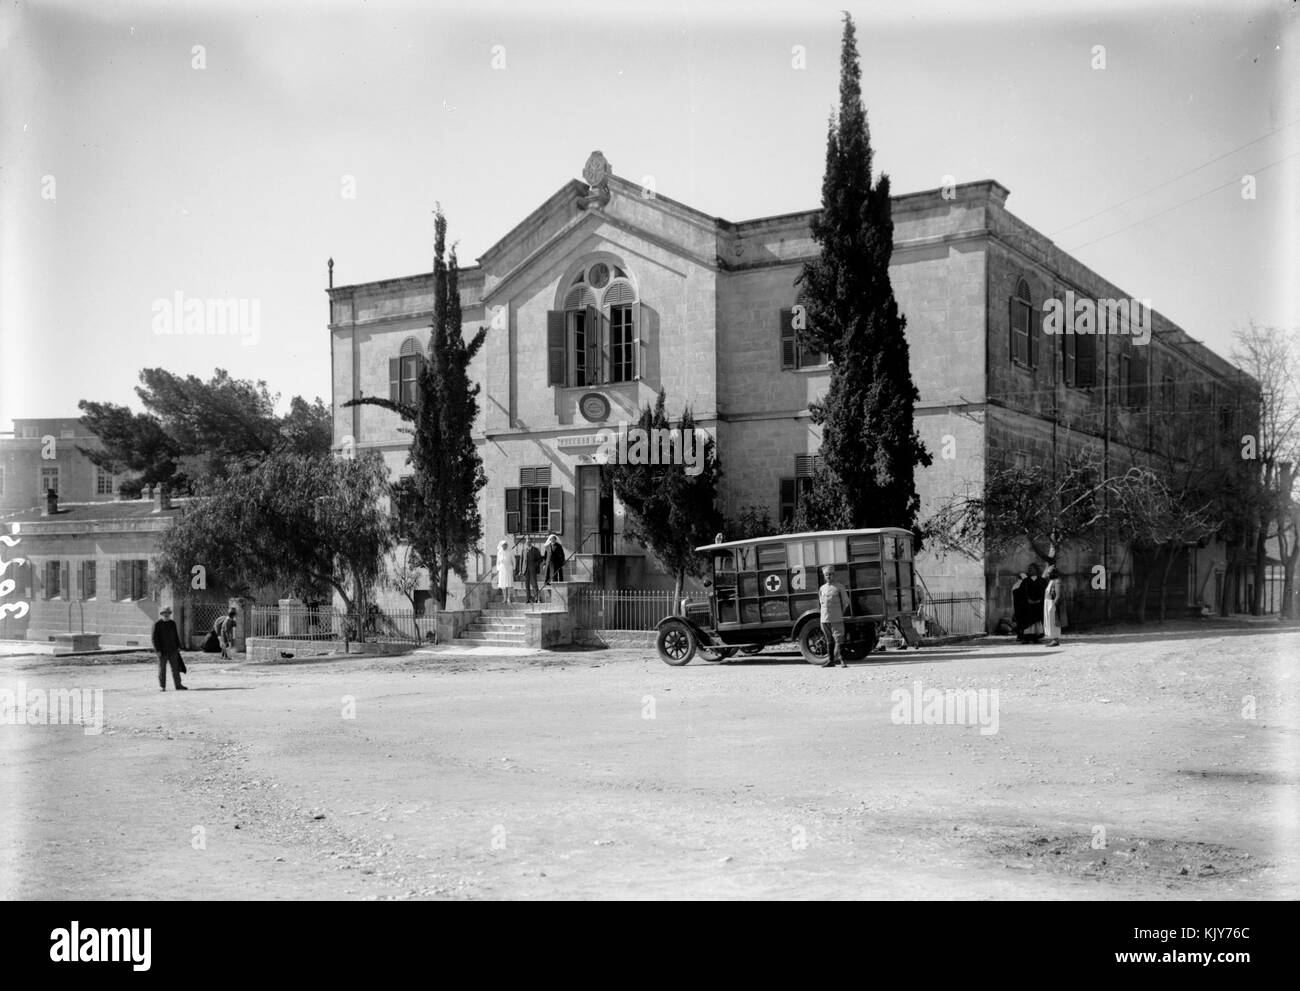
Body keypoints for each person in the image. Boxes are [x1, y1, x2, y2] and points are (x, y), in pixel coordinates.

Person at [818, 566, 850, 668]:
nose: (828, 576)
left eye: (830, 574)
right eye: (826, 575)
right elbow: (820, 602)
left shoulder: (839, 587)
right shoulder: (822, 588)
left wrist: (839, 613)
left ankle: (842, 661)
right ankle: (831, 661)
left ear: (834, 575)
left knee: (839, 639)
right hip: (824, 618)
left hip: (836, 617)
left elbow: (846, 603)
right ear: (824, 576)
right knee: (828, 640)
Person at [152, 606, 187, 691]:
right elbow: (154, 639)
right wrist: (157, 650)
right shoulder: (157, 624)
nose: (166, 614)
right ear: (162, 614)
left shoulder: (172, 623)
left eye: (168, 613)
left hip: (173, 650)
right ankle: (162, 686)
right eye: (164, 613)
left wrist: (178, 646)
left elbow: (176, 636)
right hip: (162, 651)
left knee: (175, 668)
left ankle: (178, 685)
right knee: (162, 669)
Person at [1043, 565, 1063, 646]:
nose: (1047, 575)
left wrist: (1053, 605)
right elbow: (1043, 576)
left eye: (1049, 573)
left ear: (1053, 573)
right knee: (1049, 621)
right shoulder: (1051, 581)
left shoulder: (1057, 581)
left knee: (1054, 621)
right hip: (1047, 602)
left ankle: (1055, 639)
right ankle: (1053, 639)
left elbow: (1058, 595)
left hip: (1052, 603)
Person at [522, 537, 542, 603]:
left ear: (531, 542)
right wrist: (521, 570)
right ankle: (528, 598)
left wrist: (535, 565)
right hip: (526, 569)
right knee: (526, 584)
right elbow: (522, 561)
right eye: (527, 541)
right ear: (526, 542)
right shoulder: (524, 550)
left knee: (534, 583)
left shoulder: (535, 550)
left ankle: (537, 598)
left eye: (529, 541)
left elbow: (540, 559)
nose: (528, 543)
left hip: (532, 568)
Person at [496, 538, 515, 604]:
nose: (504, 546)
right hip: (502, 569)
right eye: (503, 545)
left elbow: (513, 560)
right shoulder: (499, 553)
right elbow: (497, 562)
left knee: (509, 584)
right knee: (503, 585)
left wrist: (514, 568)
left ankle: (508, 598)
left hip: (509, 568)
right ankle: (504, 598)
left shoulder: (510, 551)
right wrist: (498, 570)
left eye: (505, 545)